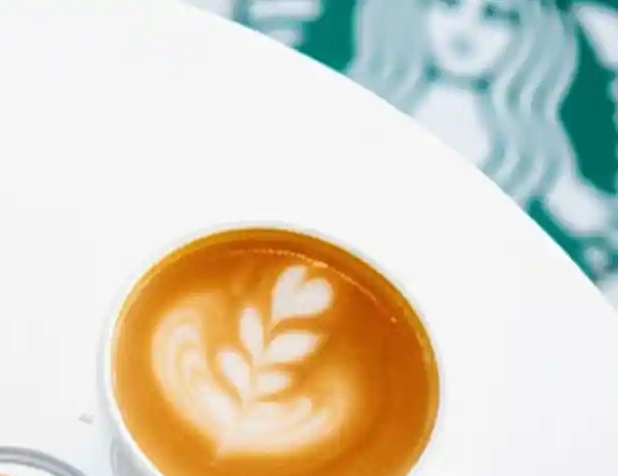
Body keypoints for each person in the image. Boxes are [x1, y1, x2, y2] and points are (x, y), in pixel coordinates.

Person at [228, 0, 618, 303]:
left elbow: (584, 218)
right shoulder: (363, 95)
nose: (466, 27)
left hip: (460, 299)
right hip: (305, 262)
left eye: (496, 16)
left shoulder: (528, 144)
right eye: (449, 4)